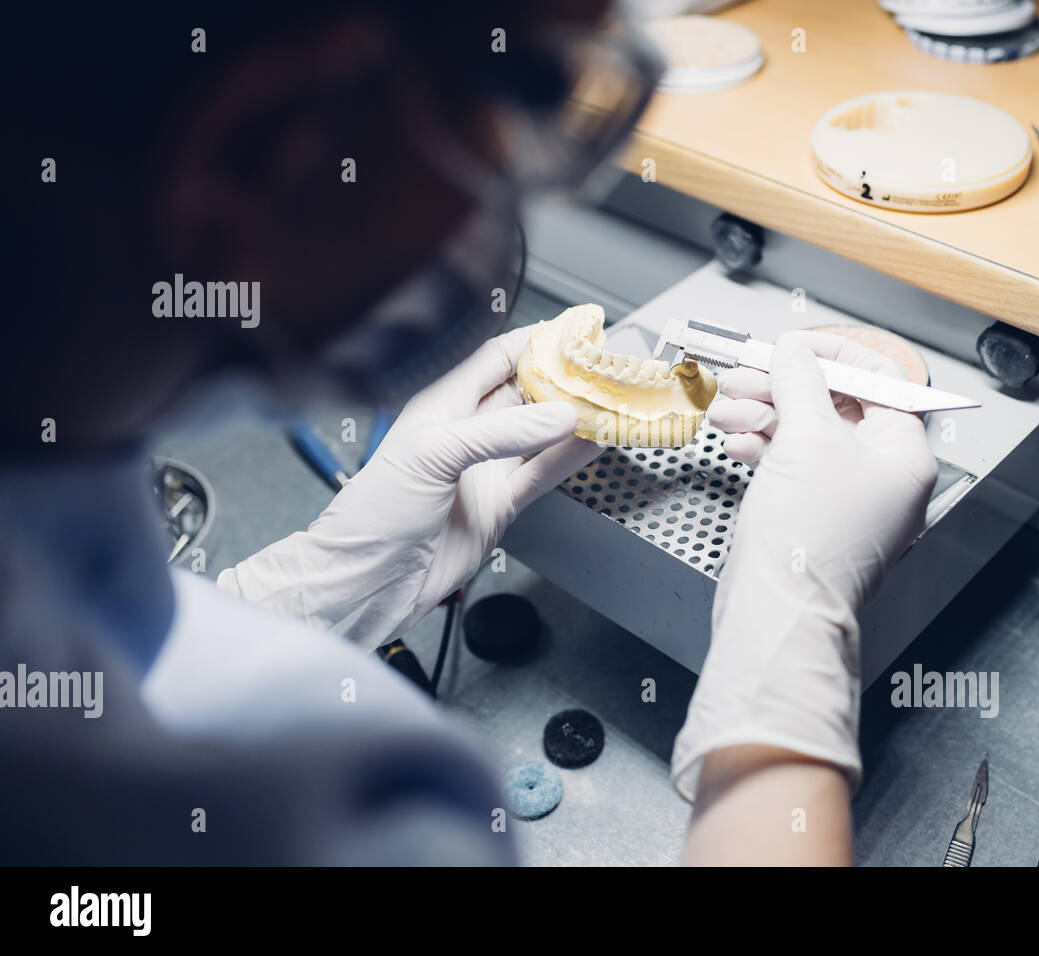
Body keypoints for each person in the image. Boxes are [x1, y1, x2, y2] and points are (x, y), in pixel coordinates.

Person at [2, 2, 935, 865]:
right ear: (265, 145)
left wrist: (336, 577)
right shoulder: (325, 814)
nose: (509, 195)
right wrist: (784, 671)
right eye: (523, 97)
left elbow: (134, 664)